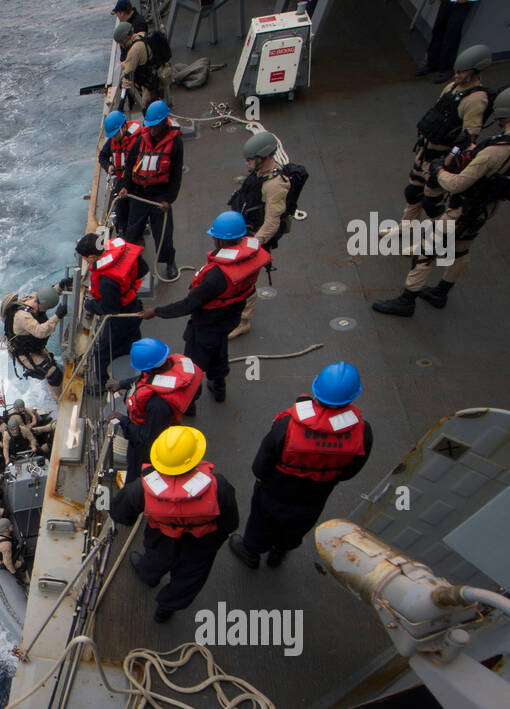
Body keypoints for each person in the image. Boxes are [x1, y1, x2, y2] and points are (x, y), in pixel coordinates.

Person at [373, 84, 510, 316]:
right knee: (462, 249)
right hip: (485, 208)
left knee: (425, 251)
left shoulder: (493, 153)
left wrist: (438, 170)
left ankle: (406, 300)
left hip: (462, 208)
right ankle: (441, 292)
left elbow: (456, 184)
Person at [229, 362, 372, 568]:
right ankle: (279, 552)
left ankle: (251, 551)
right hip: (316, 494)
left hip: (275, 489)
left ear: (317, 392)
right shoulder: (362, 433)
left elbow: (263, 462)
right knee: (299, 524)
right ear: (352, 396)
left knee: (262, 521)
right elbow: (351, 470)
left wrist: (261, 477)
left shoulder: (287, 425)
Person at [110, 426, 238, 623]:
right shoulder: (219, 487)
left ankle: (148, 575)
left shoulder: (140, 488)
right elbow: (230, 522)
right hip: (202, 541)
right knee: (190, 577)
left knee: (154, 559)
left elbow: (121, 514)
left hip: (161, 536)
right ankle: (166, 609)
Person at [138, 211, 269, 404]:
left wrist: (156, 312)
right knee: (219, 353)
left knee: (193, 366)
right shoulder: (249, 260)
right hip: (229, 319)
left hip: (207, 325)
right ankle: (219, 388)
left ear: (221, 241)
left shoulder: (216, 277)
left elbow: (188, 304)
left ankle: (190, 403)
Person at [388, 44, 492, 246]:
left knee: (433, 204)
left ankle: (430, 242)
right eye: (457, 70)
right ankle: (406, 226)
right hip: (425, 150)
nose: (457, 75)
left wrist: (448, 161)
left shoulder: (476, 100)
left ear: (474, 72)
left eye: (462, 72)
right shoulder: (452, 87)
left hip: (442, 158)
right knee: (413, 191)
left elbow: (468, 136)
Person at [107, 338, 203, 483]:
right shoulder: (168, 365)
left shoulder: (158, 405)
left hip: (150, 441)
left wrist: (122, 420)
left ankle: (136, 491)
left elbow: (147, 438)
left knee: (138, 471)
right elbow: (146, 379)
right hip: (172, 411)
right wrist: (122, 384)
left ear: (148, 368)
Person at [225, 131, 291, 339]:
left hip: (255, 238)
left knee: (246, 280)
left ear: (264, 157)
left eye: (251, 159)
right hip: (243, 230)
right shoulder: (262, 175)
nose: (248, 164)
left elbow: (272, 222)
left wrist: (253, 245)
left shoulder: (276, 185)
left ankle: (243, 320)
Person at [118, 100, 182, 277]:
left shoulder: (175, 144)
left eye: (155, 126)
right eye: (150, 126)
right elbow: (130, 167)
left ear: (163, 123)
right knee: (132, 233)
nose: (152, 130)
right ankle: (132, 265)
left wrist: (168, 200)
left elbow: (176, 174)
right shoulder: (140, 142)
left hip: (160, 195)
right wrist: (125, 187)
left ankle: (169, 262)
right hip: (139, 193)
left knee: (163, 235)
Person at [76, 232, 144, 387]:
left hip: (121, 318)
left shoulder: (107, 281)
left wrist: (89, 306)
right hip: (134, 305)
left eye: (86, 258)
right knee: (133, 340)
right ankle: (138, 372)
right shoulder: (123, 252)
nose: (86, 261)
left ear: (92, 257)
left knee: (102, 352)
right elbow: (142, 269)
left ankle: (103, 385)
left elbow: (110, 309)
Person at [1, 285, 68, 400]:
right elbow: (40, 331)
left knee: (52, 367)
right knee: (54, 375)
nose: (45, 311)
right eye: (45, 308)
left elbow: (47, 293)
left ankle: (55, 385)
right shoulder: (22, 316)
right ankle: (60, 399)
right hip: (25, 354)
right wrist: (57, 317)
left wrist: (61, 286)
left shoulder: (35, 298)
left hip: (33, 346)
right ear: (40, 305)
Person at [416, 0, 480, 84]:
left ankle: (446, 68)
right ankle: (432, 63)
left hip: (464, 3)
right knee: (438, 29)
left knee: (452, 34)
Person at [98, 113, 142, 235]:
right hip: (121, 181)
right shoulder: (113, 142)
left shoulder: (138, 141)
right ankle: (123, 233)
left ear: (124, 127)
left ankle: (135, 236)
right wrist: (109, 166)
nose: (114, 138)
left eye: (115, 134)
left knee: (135, 216)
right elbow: (102, 156)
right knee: (121, 213)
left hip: (136, 183)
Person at [115, 23, 162, 111]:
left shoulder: (134, 51)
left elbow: (127, 77)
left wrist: (121, 103)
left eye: (120, 43)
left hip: (149, 83)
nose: (120, 45)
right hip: (158, 70)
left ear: (125, 38)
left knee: (147, 108)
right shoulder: (142, 35)